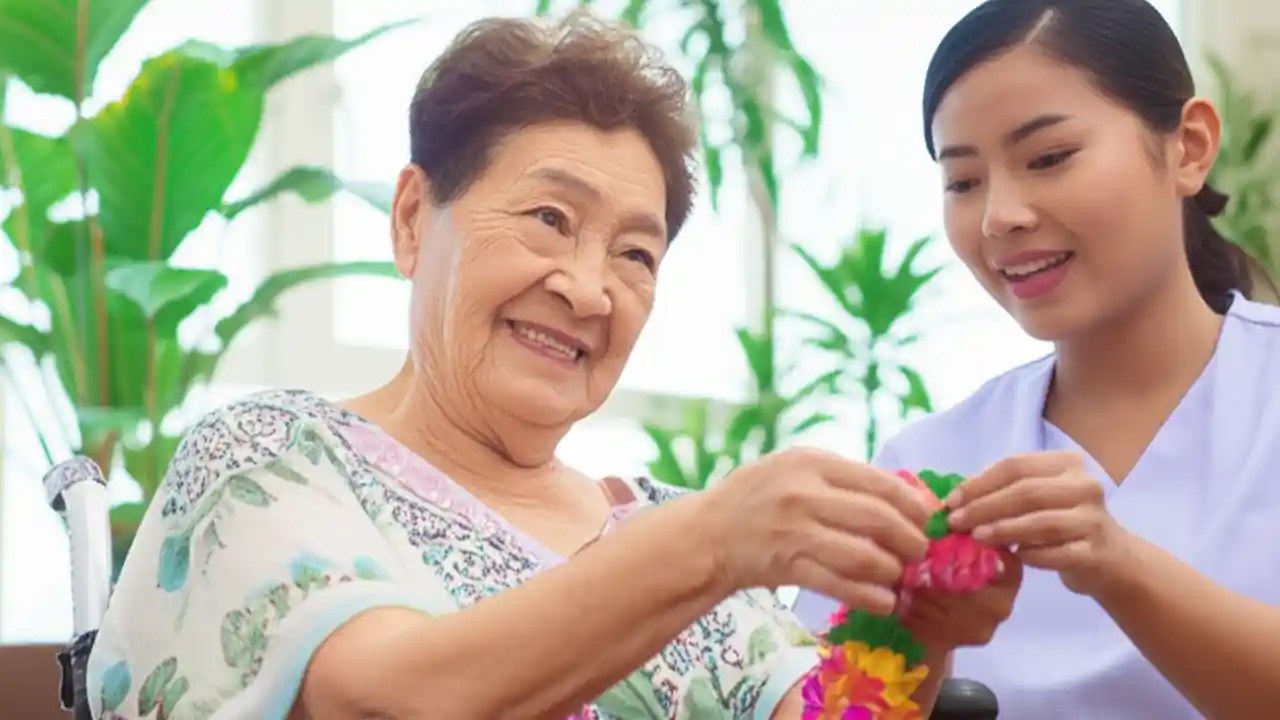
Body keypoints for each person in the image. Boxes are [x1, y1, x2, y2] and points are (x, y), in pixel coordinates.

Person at [84, 12, 938, 720]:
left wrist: (922, 625)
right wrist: (712, 544)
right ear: (414, 218)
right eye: (549, 218)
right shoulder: (269, 461)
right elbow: (394, 700)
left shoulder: (670, 528)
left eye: (636, 255)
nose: (590, 290)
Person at [793, 1, 1280, 717]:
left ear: (1189, 146)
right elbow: (823, 705)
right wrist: (921, 633)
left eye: (1049, 158)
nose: (1000, 216)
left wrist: (1116, 564)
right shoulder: (926, 466)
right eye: (963, 181)